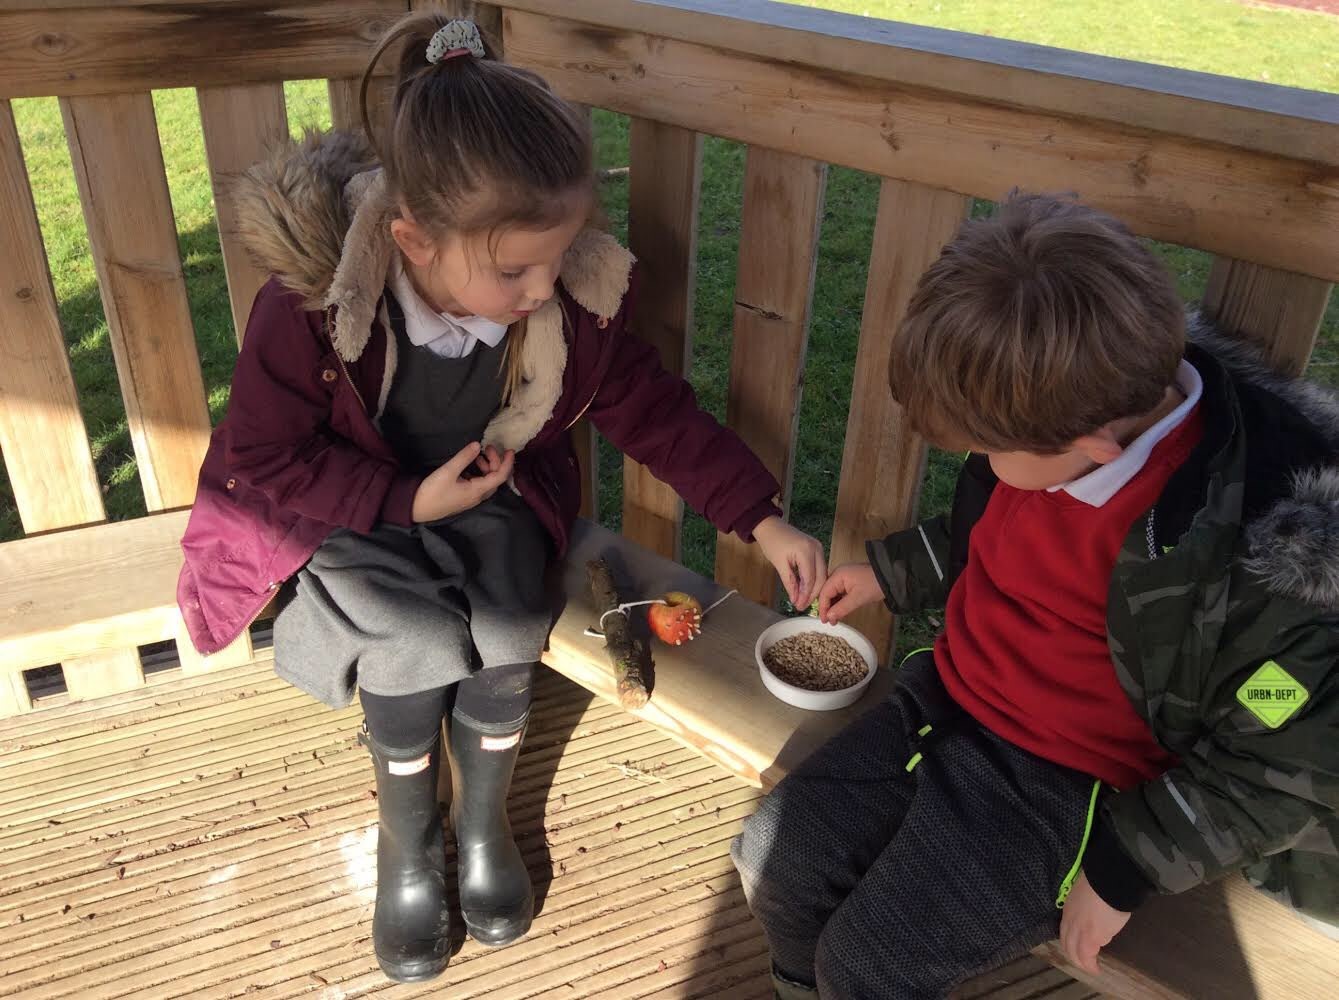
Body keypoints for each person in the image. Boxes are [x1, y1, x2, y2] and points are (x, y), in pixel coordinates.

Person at [176, 14, 826, 984]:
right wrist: (402, 502)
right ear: (413, 240)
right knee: (407, 637)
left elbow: (651, 408)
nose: (542, 288)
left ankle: (480, 823)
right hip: (365, 513)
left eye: (558, 258)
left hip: (493, 506)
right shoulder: (315, 311)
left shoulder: (559, 308)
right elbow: (269, 458)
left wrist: (758, 514)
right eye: (515, 268)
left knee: (514, 616)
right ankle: (410, 844)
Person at [730, 192, 1339, 999]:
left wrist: (1127, 868)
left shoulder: (1266, 552)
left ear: (1088, 446)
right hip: (946, 704)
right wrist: (893, 573)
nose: (978, 460)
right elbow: (994, 533)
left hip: (1069, 791)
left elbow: (1282, 744)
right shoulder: (1070, 413)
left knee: (870, 963)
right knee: (777, 856)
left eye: (986, 446)